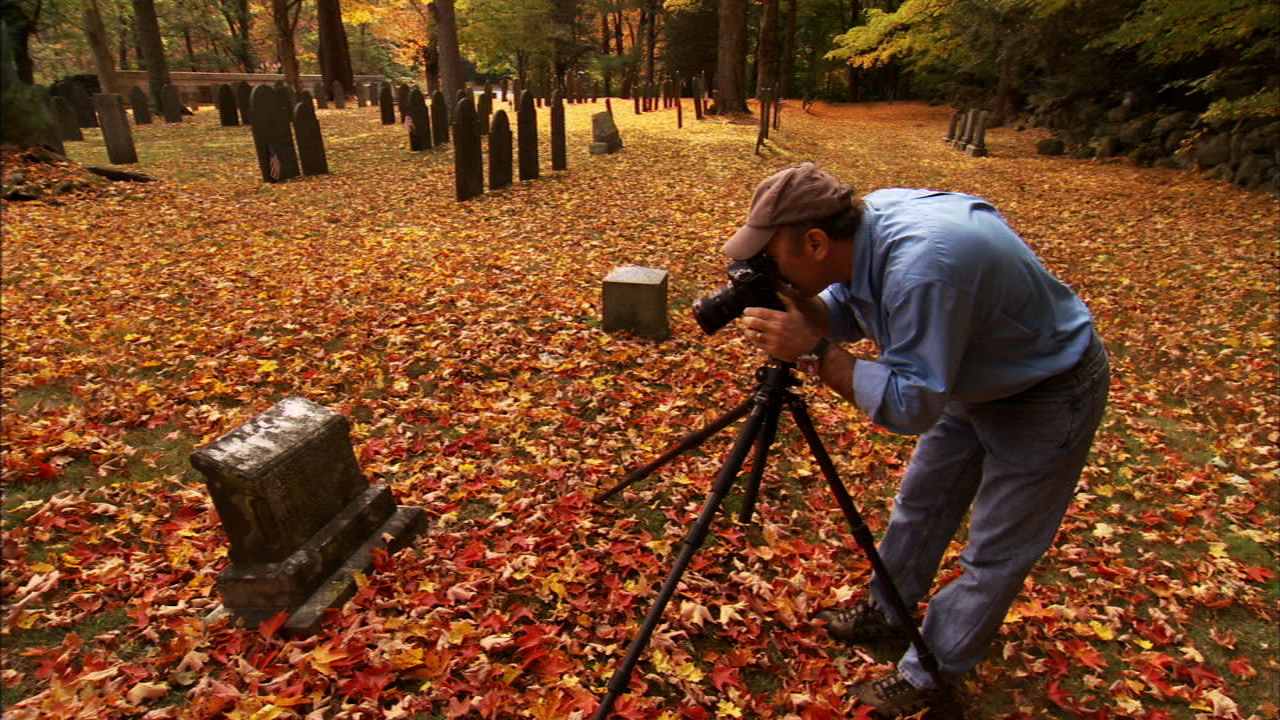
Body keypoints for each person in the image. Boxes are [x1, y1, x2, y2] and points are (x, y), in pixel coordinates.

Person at [729, 162, 1110, 717]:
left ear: (815, 241)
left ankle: (932, 671)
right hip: (968, 376)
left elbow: (912, 405)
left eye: (773, 256)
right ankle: (889, 610)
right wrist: (806, 312)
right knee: (922, 502)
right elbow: (856, 311)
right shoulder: (864, 230)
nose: (766, 268)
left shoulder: (922, 267)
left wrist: (813, 351)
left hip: (1047, 390)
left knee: (995, 550)